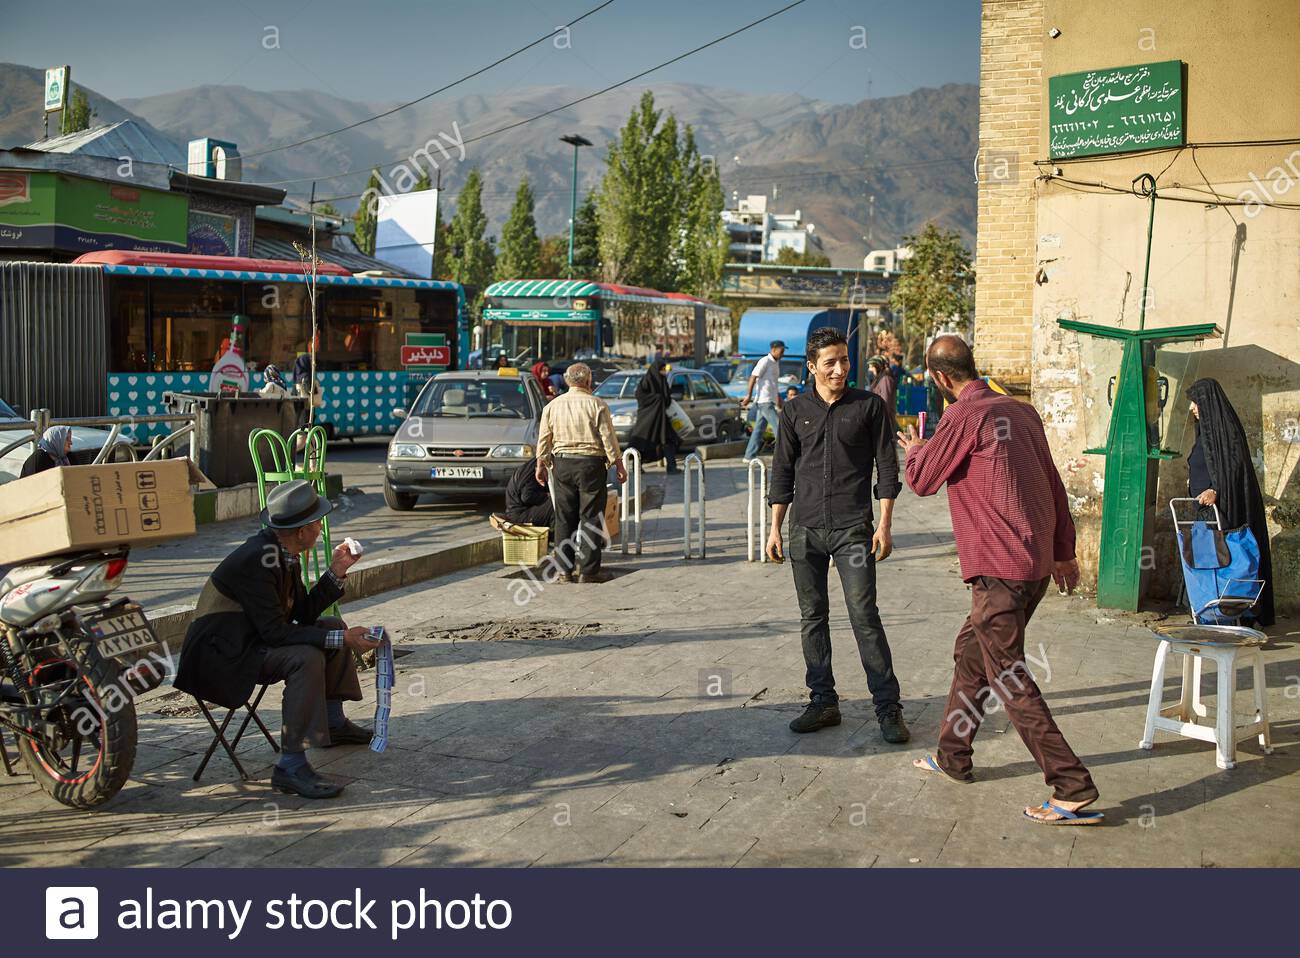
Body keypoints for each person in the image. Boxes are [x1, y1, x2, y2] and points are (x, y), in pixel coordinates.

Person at [899, 335, 1101, 826]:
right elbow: (1054, 482)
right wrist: (1064, 553)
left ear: (940, 378)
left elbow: (923, 480)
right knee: (971, 655)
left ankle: (1071, 785)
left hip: (998, 568)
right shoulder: (1020, 411)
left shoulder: (963, 414)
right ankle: (953, 756)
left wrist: (915, 449)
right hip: (1031, 566)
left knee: (1008, 675)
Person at [173, 480, 379, 800]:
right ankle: (290, 766)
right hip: (223, 657)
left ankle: (334, 723)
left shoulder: (284, 551)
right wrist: (342, 639)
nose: (321, 529)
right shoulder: (259, 558)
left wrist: (336, 571)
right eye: (316, 524)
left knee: (332, 625)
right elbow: (277, 633)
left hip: (251, 640)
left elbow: (303, 614)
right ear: (300, 532)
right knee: (307, 656)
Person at [766, 327, 909, 744]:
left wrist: (884, 524)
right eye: (830, 362)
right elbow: (782, 472)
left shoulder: (868, 407)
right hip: (804, 531)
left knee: (865, 617)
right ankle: (823, 702)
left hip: (853, 531)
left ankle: (888, 708)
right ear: (811, 367)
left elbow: (887, 467)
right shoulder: (794, 412)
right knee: (812, 618)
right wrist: (775, 528)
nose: (839, 369)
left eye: (844, 360)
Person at [1187, 378, 1275, 627]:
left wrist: (1217, 490)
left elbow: (1234, 468)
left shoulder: (1227, 433)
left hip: (1223, 512)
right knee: (1206, 561)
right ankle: (1209, 609)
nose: (1192, 408)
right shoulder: (1205, 433)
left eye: (1195, 402)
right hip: (1205, 512)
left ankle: (1235, 610)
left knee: (1227, 560)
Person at [536, 362, 627, 583]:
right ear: (588, 380)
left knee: (564, 517)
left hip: (563, 465)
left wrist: (541, 464)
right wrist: (619, 464)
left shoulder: (553, 406)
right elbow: (608, 438)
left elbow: (544, 438)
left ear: (568, 381)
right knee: (591, 518)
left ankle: (564, 571)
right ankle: (589, 571)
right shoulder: (597, 404)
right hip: (591, 465)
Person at [628, 359, 680, 474]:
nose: (663, 372)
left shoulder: (663, 381)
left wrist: (662, 400)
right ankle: (637, 467)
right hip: (648, 418)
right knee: (644, 442)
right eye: (661, 370)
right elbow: (640, 396)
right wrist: (657, 399)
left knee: (668, 440)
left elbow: (667, 399)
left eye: (664, 369)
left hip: (661, 419)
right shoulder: (646, 381)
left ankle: (671, 467)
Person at [742, 340, 786, 463]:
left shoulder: (775, 363)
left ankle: (749, 455)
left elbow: (773, 384)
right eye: (781, 351)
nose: (783, 353)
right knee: (779, 427)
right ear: (774, 349)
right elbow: (753, 377)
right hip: (764, 400)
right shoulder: (764, 361)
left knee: (759, 430)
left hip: (770, 400)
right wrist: (748, 396)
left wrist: (778, 398)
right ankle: (784, 456)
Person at [493, 457, 555, 530]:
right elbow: (527, 496)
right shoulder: (534, 469)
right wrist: (547, 495)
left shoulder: (532, 465)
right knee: (556, 502)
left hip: (521, 511)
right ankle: (557, 536)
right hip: (520, 515)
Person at [868, 356, 898, 431]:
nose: (869, 369)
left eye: (871, 367)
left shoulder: (886, 379)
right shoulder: (879, 379)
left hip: (884, 421)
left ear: (877, 366)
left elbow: (885, 400)